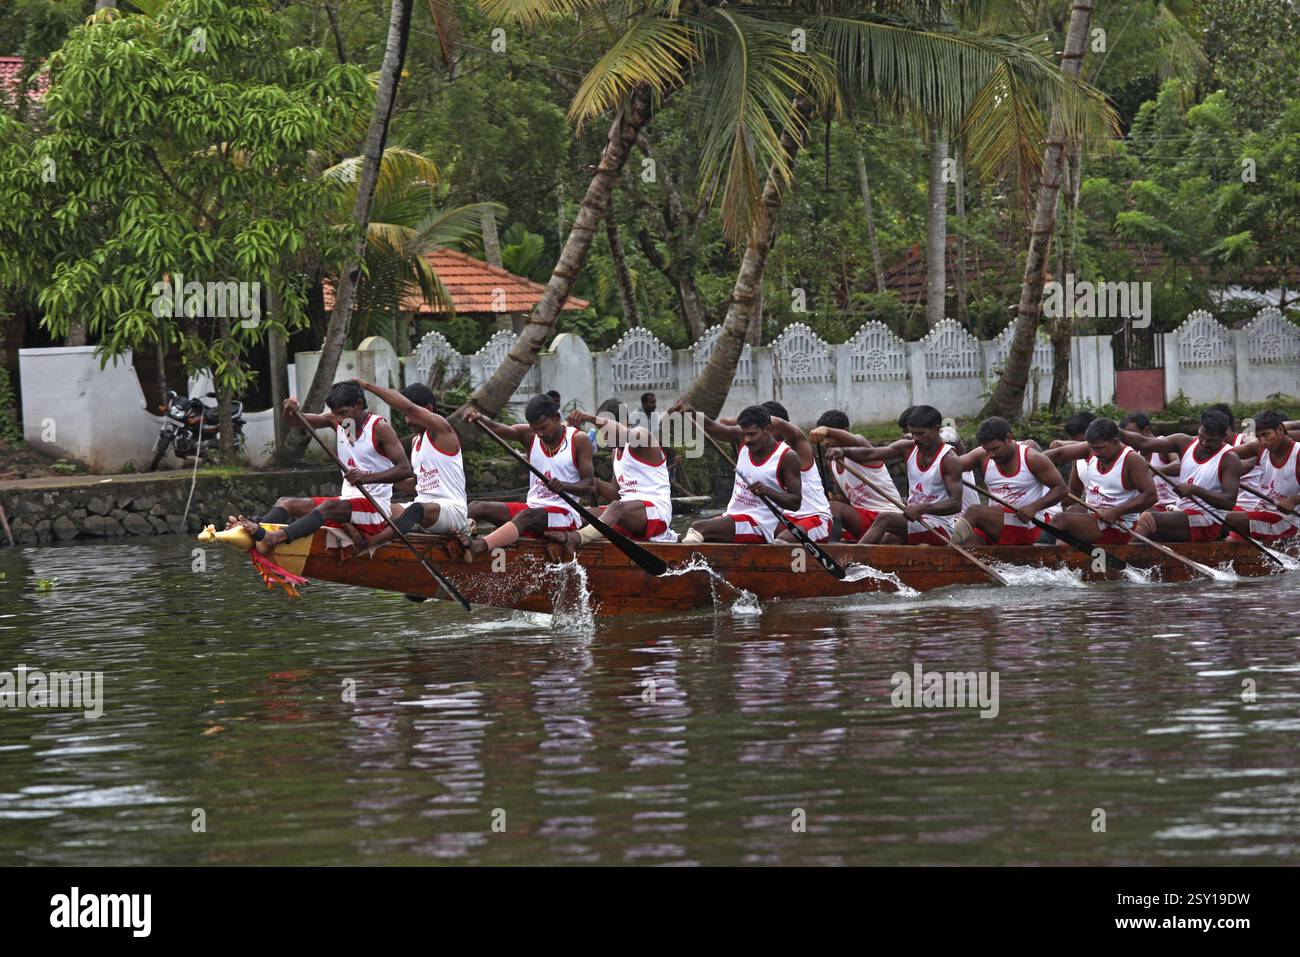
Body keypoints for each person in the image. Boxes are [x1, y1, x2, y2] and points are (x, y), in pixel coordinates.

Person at [230, 382, 412, 555]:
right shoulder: (342, 422)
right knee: (286, 503)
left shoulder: (379, 427)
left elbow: (404, 469)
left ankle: (274, 538)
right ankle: (255, 535)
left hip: (374, 509)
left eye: (343, 413)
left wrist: (366, 478)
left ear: (358, 404)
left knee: (329, 506)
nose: (339, 419)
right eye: (336, 414)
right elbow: (294, 422)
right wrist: (289, 409)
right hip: (347, 504)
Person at [460, 395, 594, 555]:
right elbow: (495, 428)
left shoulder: (579, 440)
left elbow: (589, 486)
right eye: (535, 428)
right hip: (533, 508)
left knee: (527, 516)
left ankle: (480, 545)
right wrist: (478, 417)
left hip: (565, 514)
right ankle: (452, 541)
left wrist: (564, 486)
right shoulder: (530, 435)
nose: (539, 433)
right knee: (477, 507)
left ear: (557, 417)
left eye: (543, 427)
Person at [824, 405, 963, 545]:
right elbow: (870, 454)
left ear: (936, 429)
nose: (916, 438)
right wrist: (843, 451)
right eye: (913, 433)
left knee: (885, 519)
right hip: (914, 520)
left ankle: (852, 560)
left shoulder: (949, 460)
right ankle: (867, 564)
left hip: (939, 527)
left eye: (920, 433)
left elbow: (956, 504)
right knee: (887, 540)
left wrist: (923, 508)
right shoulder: (908, 448)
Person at [351, 380, 468, 545]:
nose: (407, 421)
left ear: (427, 409)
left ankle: (370, 543)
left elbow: (408, 406)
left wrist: (366, 386)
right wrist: (373, 474)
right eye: (406, 416)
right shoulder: (415, 443)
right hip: (422, 510)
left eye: (410, 415)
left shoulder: (441, 429)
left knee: (417, 509)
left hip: (452, 511)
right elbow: (416, 486)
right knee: (375, 510)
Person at [676, 404, 803, 543]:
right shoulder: (740, 438)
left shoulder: (787, 457)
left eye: (752, 434)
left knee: (697, 528)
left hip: (760, 525)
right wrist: (692, 413)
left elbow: (795, 502)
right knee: (697, 533)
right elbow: (712, 427)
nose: (747, 439)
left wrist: (767, 491)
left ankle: (679, 563)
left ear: (768, 429)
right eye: (744, 434)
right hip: (734, 517)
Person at [552, 406, 677, 546]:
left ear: (624, 425)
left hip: (657, 514)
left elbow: (618, 504)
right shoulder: (615, 454)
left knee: (617, 507)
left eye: (606, 428)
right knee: (577, 514)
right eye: (601, 430)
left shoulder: (643, 437)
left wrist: (590, 418)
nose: (604, 435)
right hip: (626, 513)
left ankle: (579, 538)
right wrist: (596, 483)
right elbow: (618, 495)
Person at [1118, 408, 1242, 542]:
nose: (1204, 443)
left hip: (1210, 520)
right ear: (1199, 428)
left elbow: (1229, 502)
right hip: (1182, 512)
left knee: (1147, 519)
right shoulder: (1184, 442)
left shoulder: (1230, 459)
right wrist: (1116, 432)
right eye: (1201, 437)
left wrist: (1195, 490)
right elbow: (1145, 442)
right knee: (1138, 523)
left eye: (1211, 440)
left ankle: (1125, 560)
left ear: (1224, 436)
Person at [949, 416, 1067, 546]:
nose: (991, 454)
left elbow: (1061, 489)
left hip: (1027, 523)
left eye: (995, 449)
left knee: (974, 512)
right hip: (996, 523)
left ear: (1009, 438)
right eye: (987, 450)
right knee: (968, 545)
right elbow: (951, 467)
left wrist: (1034, 507)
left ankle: (947, 540)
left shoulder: (1032, 458)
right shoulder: (982, 455)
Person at [1047, 417, 1158, 545]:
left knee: (1060, 521)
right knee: (1072, 510)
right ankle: (1065, 560)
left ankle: (1057, 561)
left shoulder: (1132, 459)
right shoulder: (1092, 449)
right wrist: (1027, 460)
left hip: (1119, 525)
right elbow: (1058, 454)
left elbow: (1151, 496)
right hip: (1095, 517)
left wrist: (1116, 512)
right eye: (1092, 448)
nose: (1095, 453)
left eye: (1099, 448)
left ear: (1115, 441)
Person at [809, 410, 897, 541]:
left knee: (834, 507)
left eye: (830, 436)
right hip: (863, 518)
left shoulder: (861, 448)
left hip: (887, 516)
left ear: (845, 431)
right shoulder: (833, 461)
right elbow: (845, 500)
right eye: (825, 438)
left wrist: (827, 430)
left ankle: (834, 552)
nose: (826, 442)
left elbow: (856, 439)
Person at [1222, 409, 1300, 544]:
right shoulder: (1259, 447)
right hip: (1263, 512)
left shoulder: (1297, 454)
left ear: (1280, 429)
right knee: (1230, 540)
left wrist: (1293, 500)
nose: (1263, 441)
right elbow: (1224, 454)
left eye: (1266, 434)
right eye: (1259, 436)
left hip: (1289, 521)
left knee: (1226, 518)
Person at [1120, 411, 1180, 511]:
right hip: (1153, 507)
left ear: (1146, 430)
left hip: (1174, 505)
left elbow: (1179, 464)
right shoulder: (1135, 455)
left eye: (1131, 436)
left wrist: (1155, 471)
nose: (1129, 441)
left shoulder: (1162, 444)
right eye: (1126, 438)